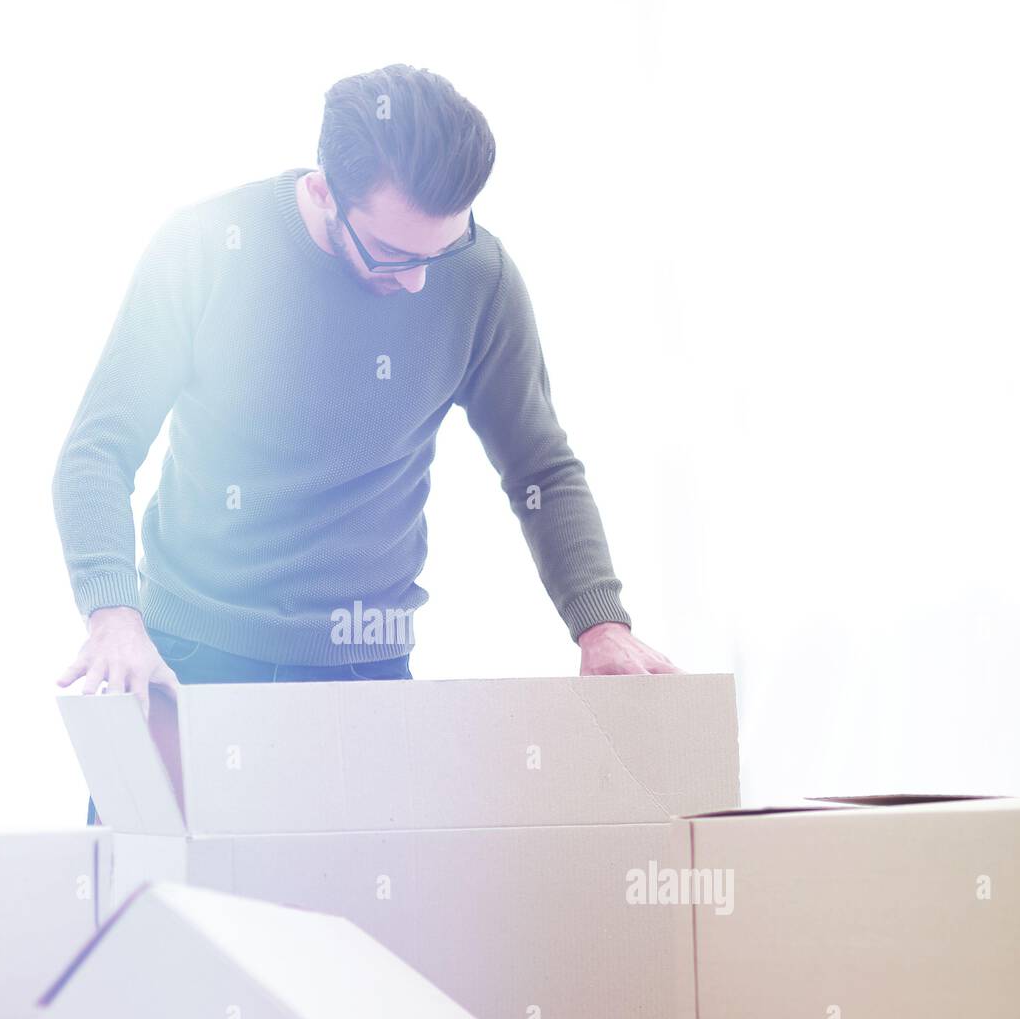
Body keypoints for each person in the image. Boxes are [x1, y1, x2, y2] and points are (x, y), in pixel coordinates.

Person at [54, 63, 679, 722]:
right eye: (391, 254)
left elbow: (540, 469)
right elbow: (97, 451)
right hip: (182, 657)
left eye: (440, 250)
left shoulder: (478, 277)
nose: (416, 284)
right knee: (142, 828)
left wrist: (599, 624)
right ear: (325, 193)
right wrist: (113, 616)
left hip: (367, 669)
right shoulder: (203, 248)